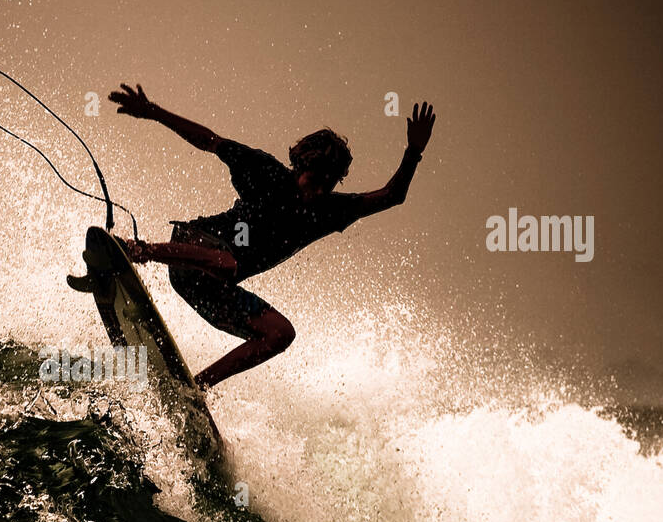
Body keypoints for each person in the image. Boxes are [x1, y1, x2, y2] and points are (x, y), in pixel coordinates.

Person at [107, 83, 435, 389]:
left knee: (280, 334)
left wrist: (414, 151)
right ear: (300, 166)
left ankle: (198, 386)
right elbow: (210, 140)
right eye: (315, 180)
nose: (319, 191)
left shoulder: (330, 211)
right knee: (230, 262)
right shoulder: (265, 171)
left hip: (212, 284)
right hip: (194, 244)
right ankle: (139, 250)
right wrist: (152, 111)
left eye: (329, 184)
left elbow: (392, 196)